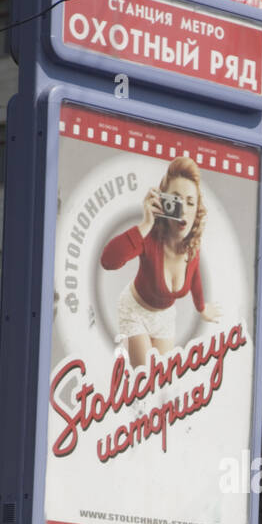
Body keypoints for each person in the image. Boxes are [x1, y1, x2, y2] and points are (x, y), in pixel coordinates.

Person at [100, 155, 221, 369]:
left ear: (197, 210)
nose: (183, 209)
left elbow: (195, 279)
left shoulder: (192, 247)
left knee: (159, 386)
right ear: (163, 203)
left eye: (190, 202)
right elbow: (108, 261)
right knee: (144, 377)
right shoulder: (150, 238)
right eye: (175, 201)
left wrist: (201, 308)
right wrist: (146, 223)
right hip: (135, 310)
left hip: (165, 318)